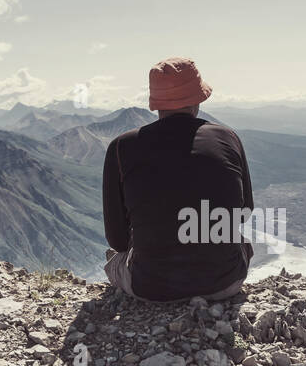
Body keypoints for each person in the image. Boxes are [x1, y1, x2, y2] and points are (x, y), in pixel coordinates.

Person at [102, 57, 253, 301]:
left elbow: (118, 240)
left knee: (114, 259)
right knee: (239, 241)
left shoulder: (122, 147)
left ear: (156, 102)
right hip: (225, 282)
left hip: (150, 288)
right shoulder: (228, 138)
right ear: (198, 98)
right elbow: (244, 211)